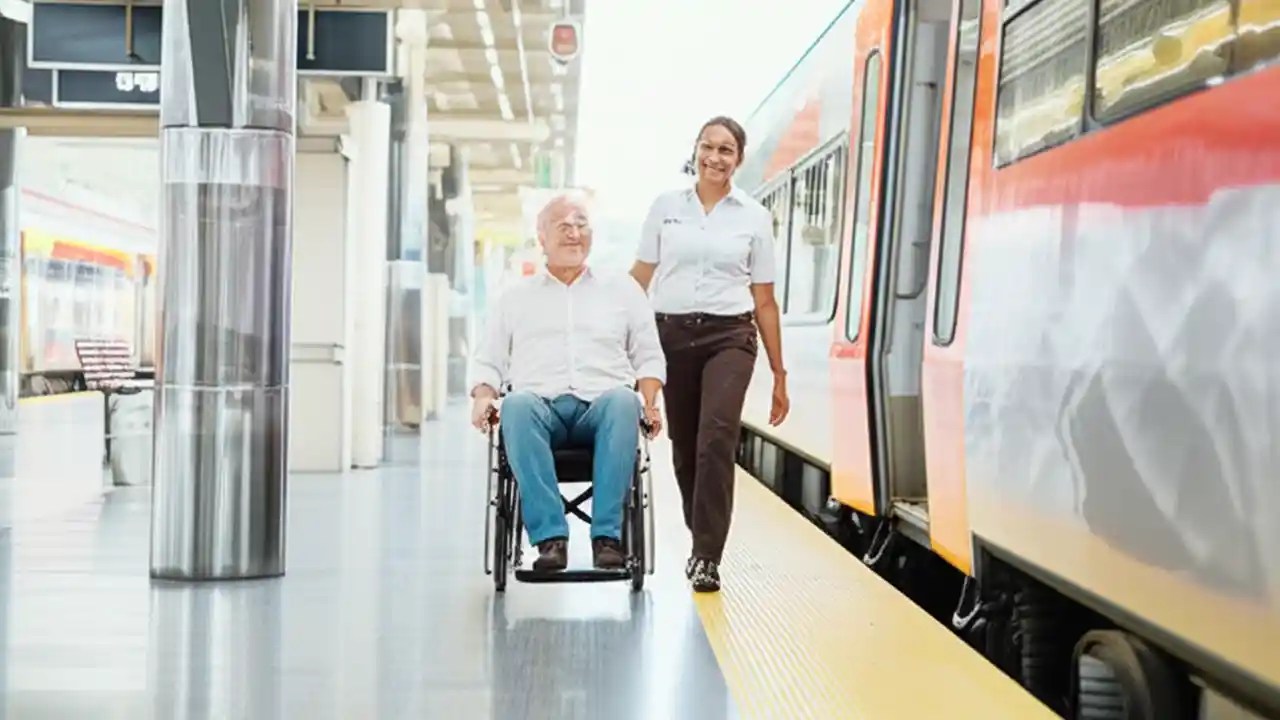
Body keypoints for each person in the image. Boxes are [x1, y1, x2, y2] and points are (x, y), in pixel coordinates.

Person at [630, 115, 789, 593]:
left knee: (716, 438)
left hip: (730, 337)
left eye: (726, 150)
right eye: (708, 147)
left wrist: (780, 374)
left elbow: (764, 299)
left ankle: (706, 556)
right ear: (695, 151)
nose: (715, 158)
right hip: (671, 335)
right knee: (683, 449)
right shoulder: (665, 207)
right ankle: (700, 535)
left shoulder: (753, 217)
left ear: (738, 160)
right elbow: (640, 277)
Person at [470, 194, 666, 572]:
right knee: (516, 404)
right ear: (541, 238)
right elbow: (488, 360)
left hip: (603, 410)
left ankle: (607, 537)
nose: (575, 233)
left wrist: (651, 401)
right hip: (540, 411)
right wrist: (482, 396)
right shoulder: (514, 298)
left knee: (624, 403)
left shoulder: (623, 291)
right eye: (564, 227)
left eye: (582, 225)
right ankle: (550, 540)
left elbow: (648, 355)